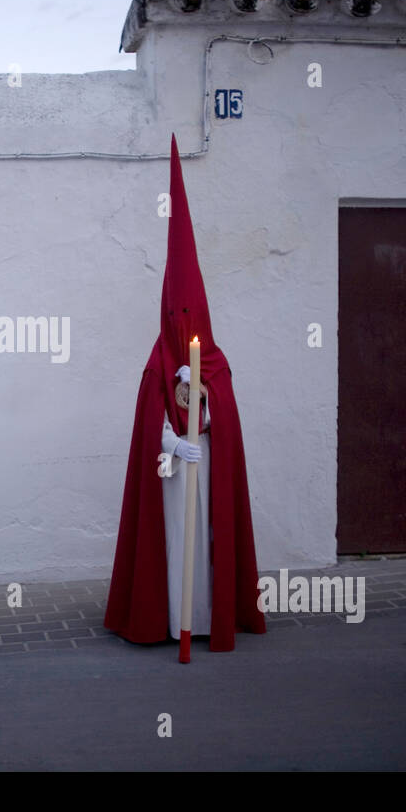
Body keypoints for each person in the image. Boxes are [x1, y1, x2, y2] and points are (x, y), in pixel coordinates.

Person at [104, 137, 265, 652]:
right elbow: (148, 422)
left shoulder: (215, 362)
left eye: (190, 317)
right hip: (172, 474)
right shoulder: (155, 361)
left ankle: (207, 616)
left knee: (208, 541)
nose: (183, 326)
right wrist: (172, 443)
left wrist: (206, 399)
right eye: (176, 317)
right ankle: (172, 620)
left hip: (210, 465)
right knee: (175, 544)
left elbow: (227, 416)